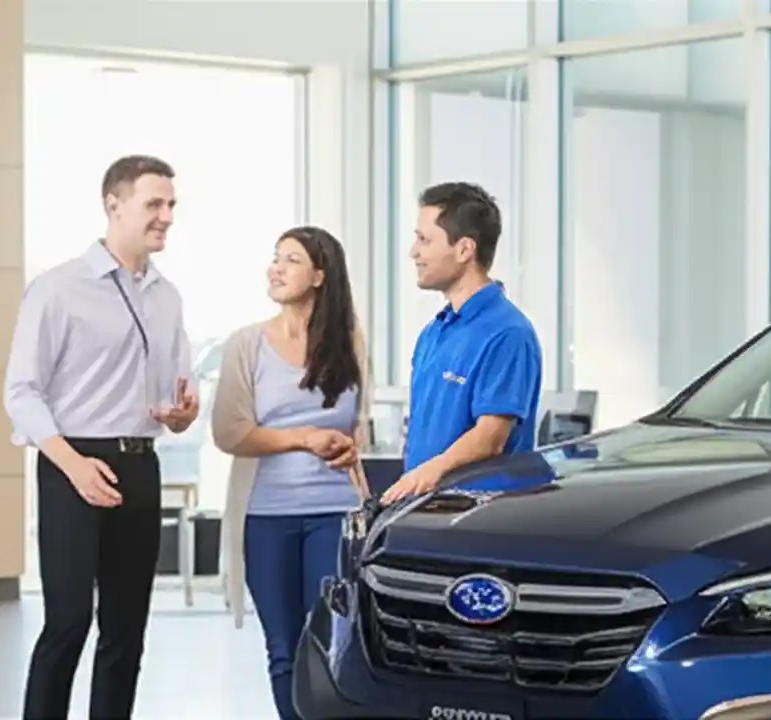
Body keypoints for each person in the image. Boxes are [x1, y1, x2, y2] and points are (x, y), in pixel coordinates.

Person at [4, 154, 199, 719]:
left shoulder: (167, 296)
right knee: (67, 622)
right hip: (73, 462)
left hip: (140, 463)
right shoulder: (58, 289)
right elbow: (21, 391)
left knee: (126, 630)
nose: (166, 216)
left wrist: (180, 414)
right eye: (154, 204)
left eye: (171, 206)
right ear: (114, 205)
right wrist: (72, 464)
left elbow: (167, 396)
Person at [210, 225, 372, 720]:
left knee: (326, 647)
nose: (275, 268)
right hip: (267, 516)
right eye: (275, 257)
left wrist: (349, 447)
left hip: (334, 514)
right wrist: (303, 437)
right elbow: (230, 432)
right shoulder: (246, 345)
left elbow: (358, 427)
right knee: (282, 649)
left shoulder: (351, 344)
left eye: (291, 260)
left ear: (320, 275)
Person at [381, 181, 543, 505]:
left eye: (424, 240)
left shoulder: (508, 334)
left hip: (476, 516)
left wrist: (426, 475)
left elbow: (490, 439)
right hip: (422, 508)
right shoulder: (434, 332)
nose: (414, 252)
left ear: (464, 249)